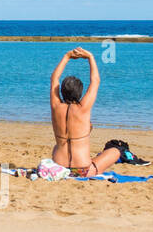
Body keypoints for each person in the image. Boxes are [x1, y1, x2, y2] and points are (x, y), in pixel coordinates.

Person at [49, 47, 118, 177]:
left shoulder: (55, 106)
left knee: (56, 147)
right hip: (83, 170)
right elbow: (95, 81)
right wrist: (90, 57)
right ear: (80, 92)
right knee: (116, 149)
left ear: (62, 91)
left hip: (58, 167)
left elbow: (54, 80)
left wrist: (67, 56)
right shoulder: (83, 108)